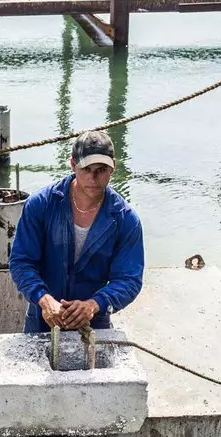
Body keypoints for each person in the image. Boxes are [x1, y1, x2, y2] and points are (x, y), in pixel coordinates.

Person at [9, 130, 144, 333]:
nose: (93, 177)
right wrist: (44, 300)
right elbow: (21, 262)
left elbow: (129, 279)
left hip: (95, 322)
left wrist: (94, 304)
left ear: (113, 167)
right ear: (73, 165)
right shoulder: (41, 205)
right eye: (86, 168)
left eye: (101, 169)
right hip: (42, 320)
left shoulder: (126, 219)